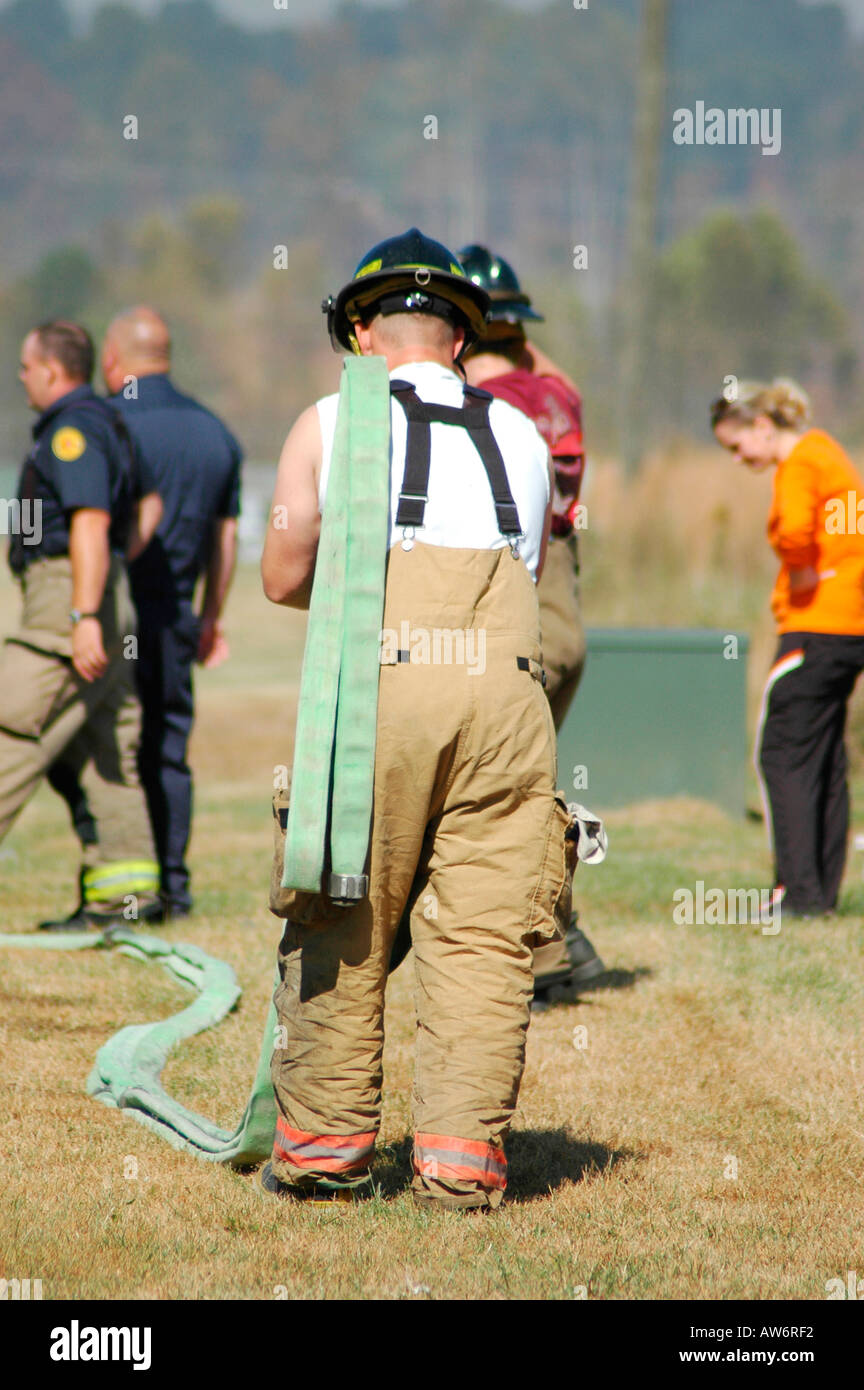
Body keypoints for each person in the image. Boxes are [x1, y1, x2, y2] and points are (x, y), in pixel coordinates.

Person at [260, 227, 576, 1210]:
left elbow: (279, 577)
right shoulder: (520, 433)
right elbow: (524, 576)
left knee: (344, 915)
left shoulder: (328, 419)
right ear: (457, 336)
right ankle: (459, 1168)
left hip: (388, 686)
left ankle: (321, 1155)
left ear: (361, 331)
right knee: (484, 940)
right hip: (508, 701)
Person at [43, 307, 243, 922]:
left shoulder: (104, 422)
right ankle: (173, 891)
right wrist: (211, 615)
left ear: (112, 359)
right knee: (166, 752)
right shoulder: (216, 431)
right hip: (177, 614)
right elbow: (225, 539)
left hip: (110, 614)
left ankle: (122, 886)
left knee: (93, 748)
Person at [458, 243, 605, 998]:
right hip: (568, 618)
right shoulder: (555, 395)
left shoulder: (489, 404)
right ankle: (570, 942)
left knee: (507, 795)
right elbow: (556, 375)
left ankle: (549, 959)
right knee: (530, 783)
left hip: (528, 621)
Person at [0, 319, 160, 926]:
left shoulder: (70, 432)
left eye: (24, 366)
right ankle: (126, 899)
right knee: (105, 752)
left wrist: (84, 612)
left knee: (11, 724)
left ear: (50, 369)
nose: (20, 377)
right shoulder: (110, 421)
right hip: (102, 592)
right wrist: (114, 575)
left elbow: (89, 521)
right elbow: (149, 506)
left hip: (71, 600)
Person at [712, 378, 864, 917]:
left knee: (782, 754)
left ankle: (796, 896)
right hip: (850, 628)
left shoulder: (799, 462)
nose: (737, 460)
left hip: (815, 625)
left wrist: (800, 572)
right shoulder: (828, 451)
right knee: (823, 757)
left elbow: (797, 532)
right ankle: (818, 895)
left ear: (762, 425)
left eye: (736, 446)